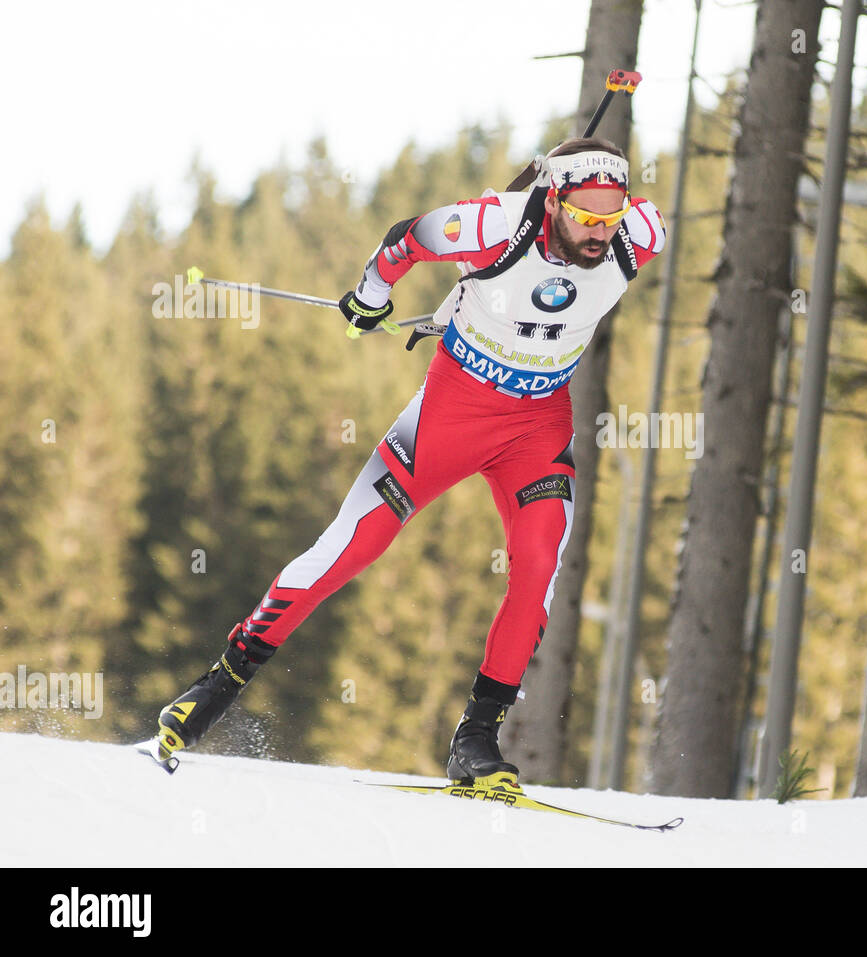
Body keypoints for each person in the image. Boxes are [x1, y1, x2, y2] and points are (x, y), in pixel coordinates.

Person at [147, 137, 666, 788]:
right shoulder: (493, 226)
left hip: (536, 426)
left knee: (537, 564)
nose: (600, 229)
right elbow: (405, 238)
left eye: (612, 211)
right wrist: (370, 296)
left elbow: (601, 244)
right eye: (586, 213)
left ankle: (476, 739)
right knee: (352, 546)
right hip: (452, 415)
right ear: (552, 197)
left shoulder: (637, 235)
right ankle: (216, 686)